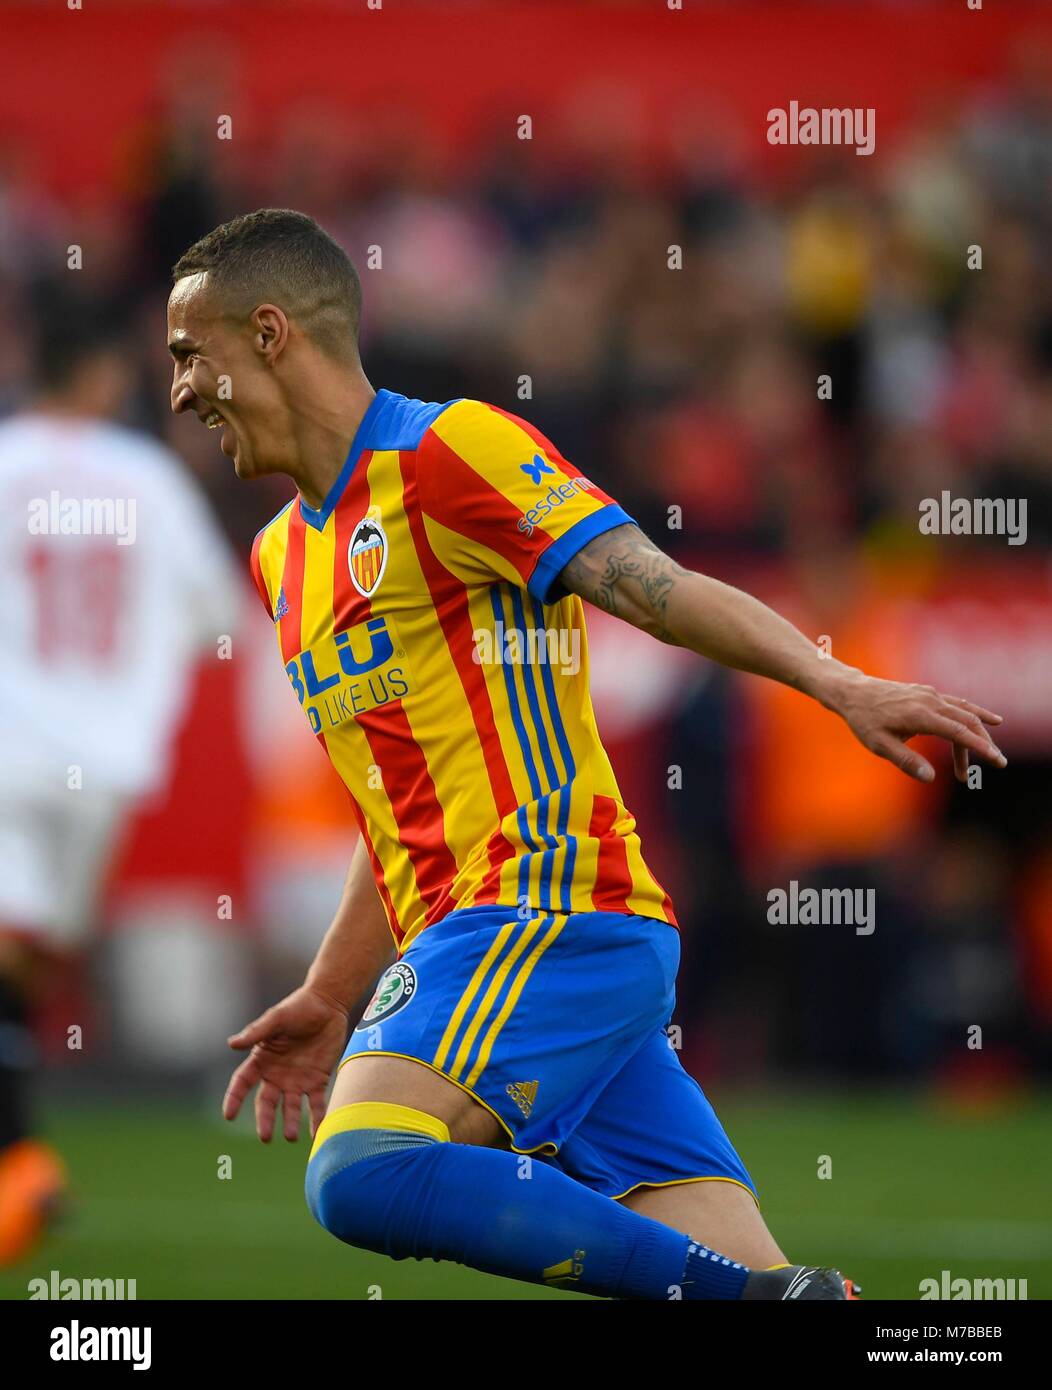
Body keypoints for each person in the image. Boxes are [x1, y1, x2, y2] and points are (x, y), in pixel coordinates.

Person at [169, 209, 1006, 1300]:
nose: (182, 388)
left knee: (360, 1169)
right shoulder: (282, 558)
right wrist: (333, 991)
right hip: (515, 950)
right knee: (764, 1281)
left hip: (546, 909)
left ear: (270, 332)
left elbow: (649, 586)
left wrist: (833, 679)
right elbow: (398, 809)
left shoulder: (447, 450)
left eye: (193, 353)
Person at [0, 285, 237, 1264]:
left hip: (7, 742)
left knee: (13, 969)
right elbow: (213, 612)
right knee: (27, 960)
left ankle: (20, 1156)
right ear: (100, 374)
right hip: (107, 763)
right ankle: (23, 1156)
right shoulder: (149, 477)